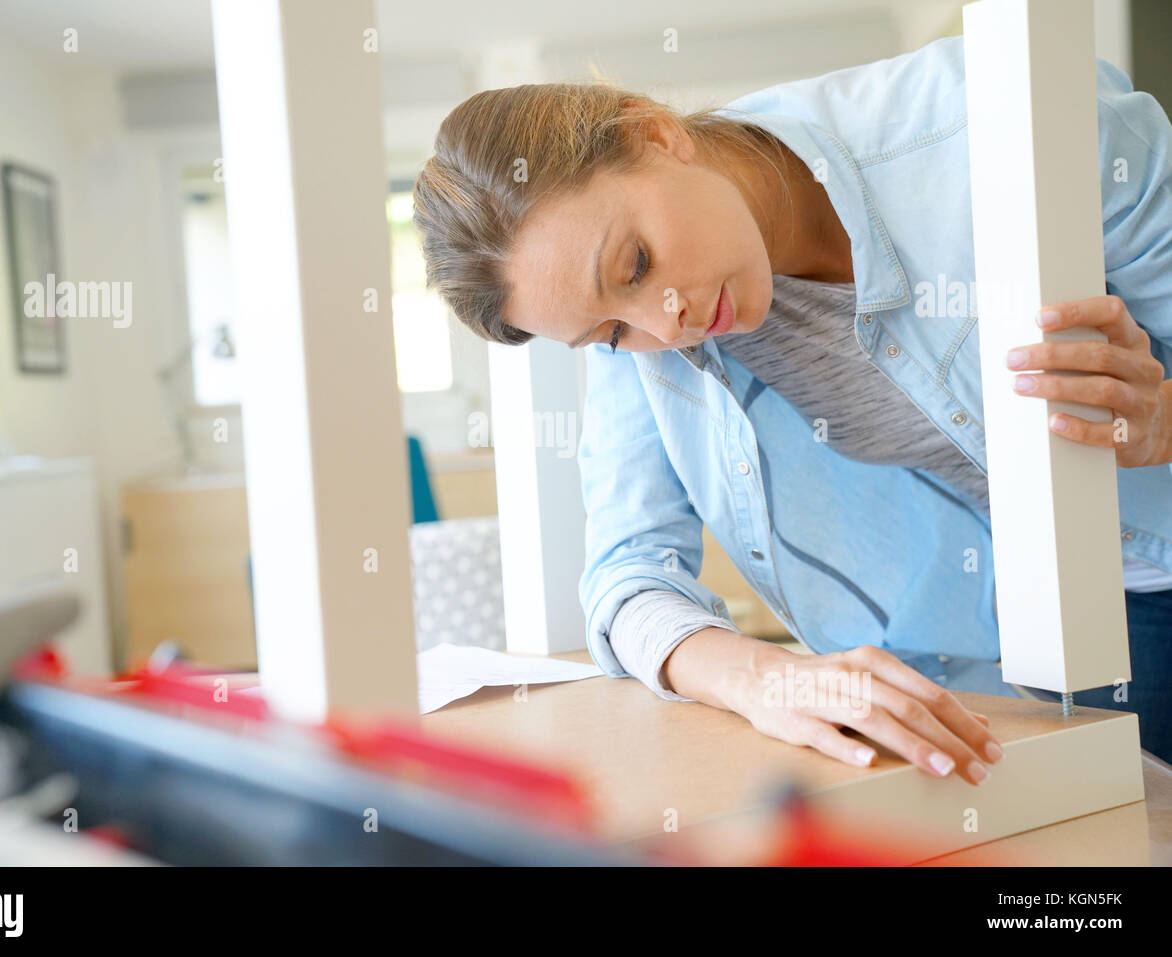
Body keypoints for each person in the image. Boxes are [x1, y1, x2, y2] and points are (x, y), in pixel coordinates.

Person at [410, 35, 1172, 773]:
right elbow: (628, 574)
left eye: (636, 262)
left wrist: (1164, 420)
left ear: (653, 132)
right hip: (1027, 656)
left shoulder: (1008, 119)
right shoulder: (646, 340)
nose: (662, 321)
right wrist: (765, 677)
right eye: (608, 330)